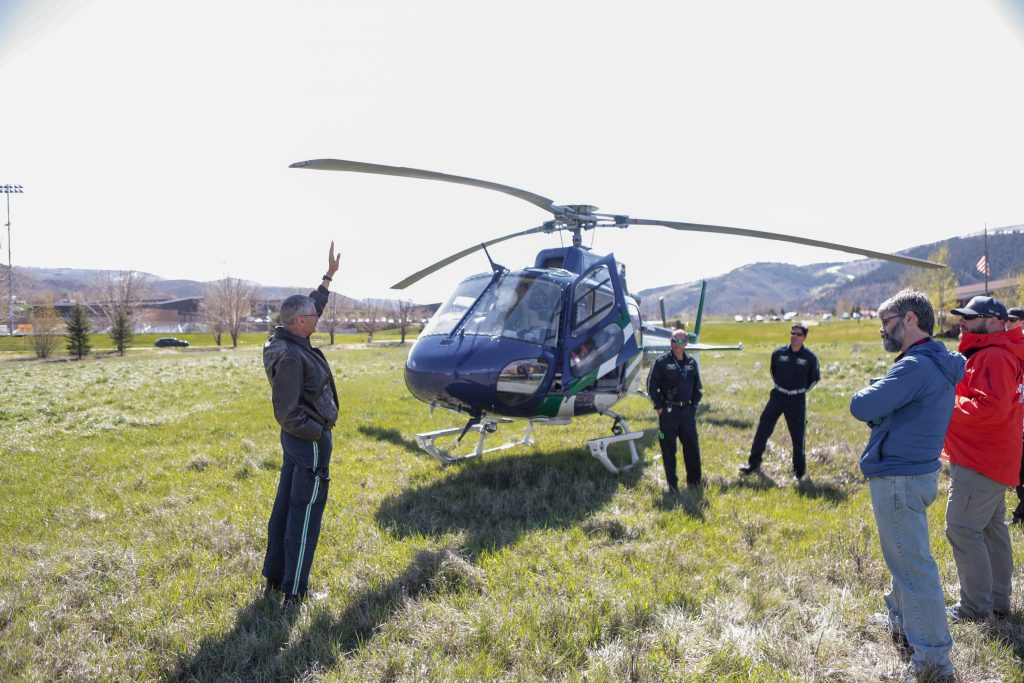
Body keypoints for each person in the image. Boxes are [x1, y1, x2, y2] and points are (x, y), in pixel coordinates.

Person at [850, 288, 964, 682]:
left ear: (910, 319)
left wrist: (870, 394)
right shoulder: (935, 362)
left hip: (899, 477)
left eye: (887, 323)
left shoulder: (914, 367)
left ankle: (933, 659)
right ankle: (901, 623)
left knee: (913, 566)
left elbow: (862, 405)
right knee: (905, 557)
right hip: (916, 472)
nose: (884, 331)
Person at [261, 242, 341, 604]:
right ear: (300, 322)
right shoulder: (292, 357)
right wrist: (319, 432)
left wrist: (327, 279)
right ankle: (295, 590)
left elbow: (312, 304)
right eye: (313, 315)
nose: (318, 316)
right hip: (305, 438)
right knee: (305, 512)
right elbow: (287, 412)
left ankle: (276, 578)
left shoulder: (287, 337)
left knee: (286, 506)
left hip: (295, 440)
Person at [943, 295, 1024, 621]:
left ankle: (976, 608)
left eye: (970, 316)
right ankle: (996, 602)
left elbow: (988, 408)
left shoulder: (992, 357)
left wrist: (944, 404)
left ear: (993, 321)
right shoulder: (994, 353)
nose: (962, 321)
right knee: (991, 529)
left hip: (981, 458)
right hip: (994, 455)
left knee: (962, 528)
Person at [739, 323, 819, 479]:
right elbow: (773, 372)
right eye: (793, 333)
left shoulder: (810, 358)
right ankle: (753, 464)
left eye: (798, 334)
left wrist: (798, 390)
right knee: (763, 429)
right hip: (778, 396)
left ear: (804, 337)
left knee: (797, 435)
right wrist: (783, 387)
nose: (794, 336)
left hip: (797, 399)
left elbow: (814, 380)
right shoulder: (778, 353)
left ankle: (798, 472)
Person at [646, 329, 703, 492]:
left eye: (679, 341)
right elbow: (651, 386)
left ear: (686, 343)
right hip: (668, 413)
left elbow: (698, 388)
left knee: (692, 448)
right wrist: (658, 407)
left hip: (687, 413)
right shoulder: (662, 362)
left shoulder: (691, 363)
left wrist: (693, 407)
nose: (675, 344)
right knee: (668, 450)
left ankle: (695, 482)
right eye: (673, 340)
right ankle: (672, 484)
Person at [1006, 306, 1024, 524]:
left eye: (1013, 319)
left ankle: (1020, 516)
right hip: (1015, 421)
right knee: (1018, 474)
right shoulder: (1010, 347)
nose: (1008, 323)